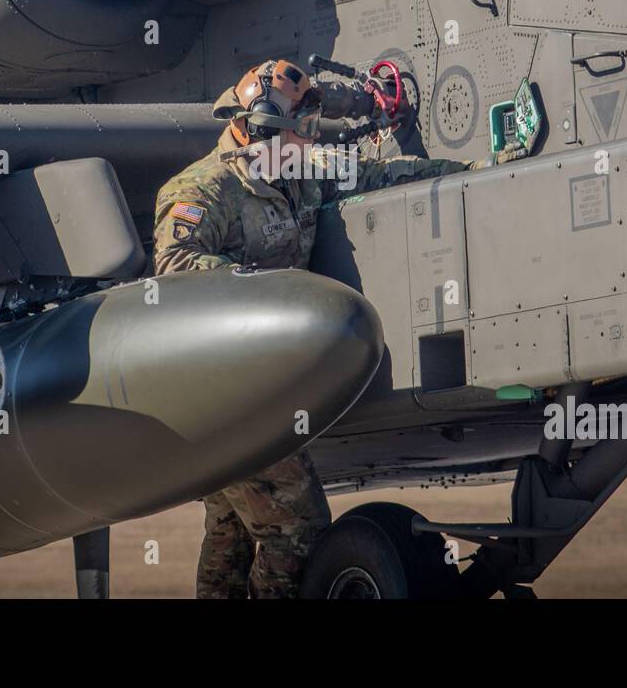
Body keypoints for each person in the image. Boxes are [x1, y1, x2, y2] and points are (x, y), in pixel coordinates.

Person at [153, 59, 521, 598]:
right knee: (297, 536)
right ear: (260, 125)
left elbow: (378, 176)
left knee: (230, 535)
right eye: (300, 130)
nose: (308, 141)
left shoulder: (299, 176)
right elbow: (174, 270)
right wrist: (268, 288)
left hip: (264, 387)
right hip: (225, 394)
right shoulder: (202, 190)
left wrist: (476, 168)